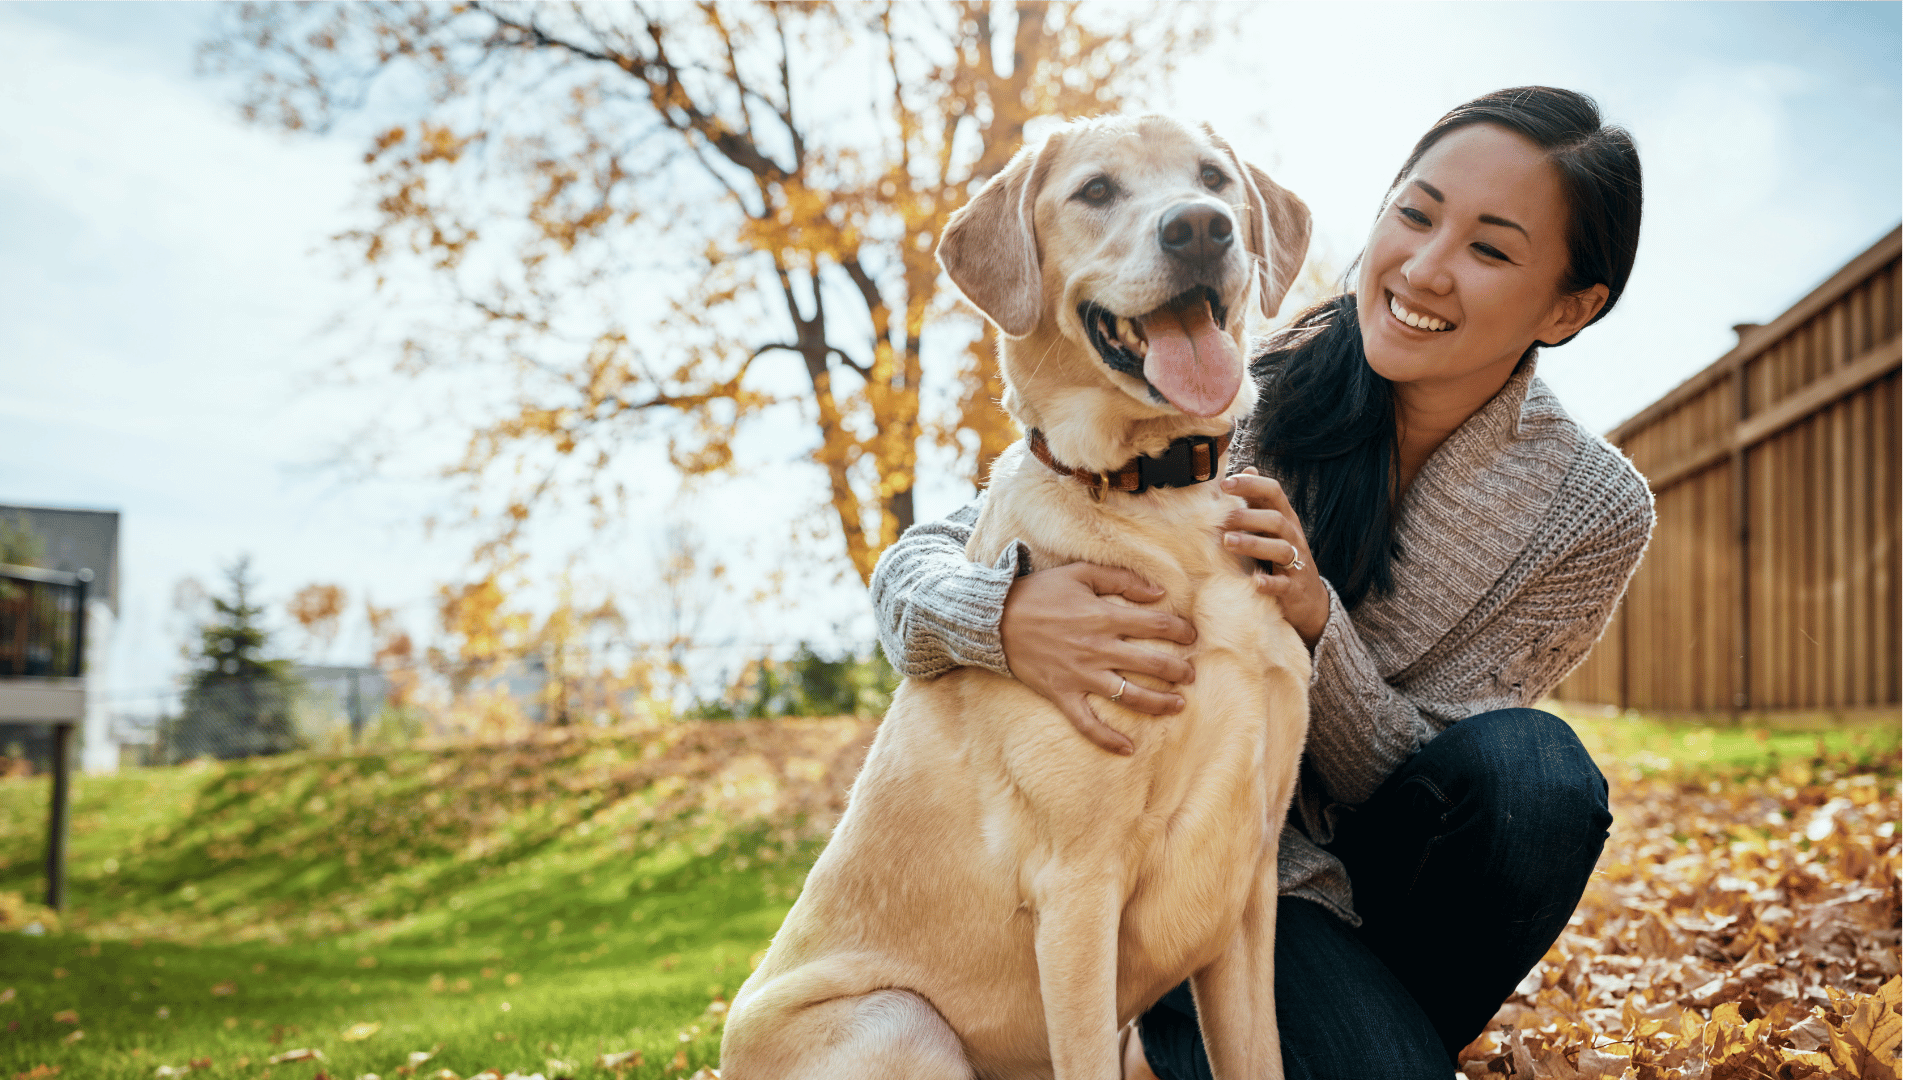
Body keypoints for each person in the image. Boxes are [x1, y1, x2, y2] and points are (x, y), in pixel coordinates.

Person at [870, 86, 1653, 1079]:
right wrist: (1005, 613)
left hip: (1400, 862)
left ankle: (1377, 1032)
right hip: (1220, 883)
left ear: (1569, 306)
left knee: (1538, 776)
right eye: (1413, 215)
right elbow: (925, 558)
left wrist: (1315, 626)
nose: (1423, 267)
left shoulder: (1587, 508)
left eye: (1489, 250)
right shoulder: (1215, 385)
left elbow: (1442, 778)